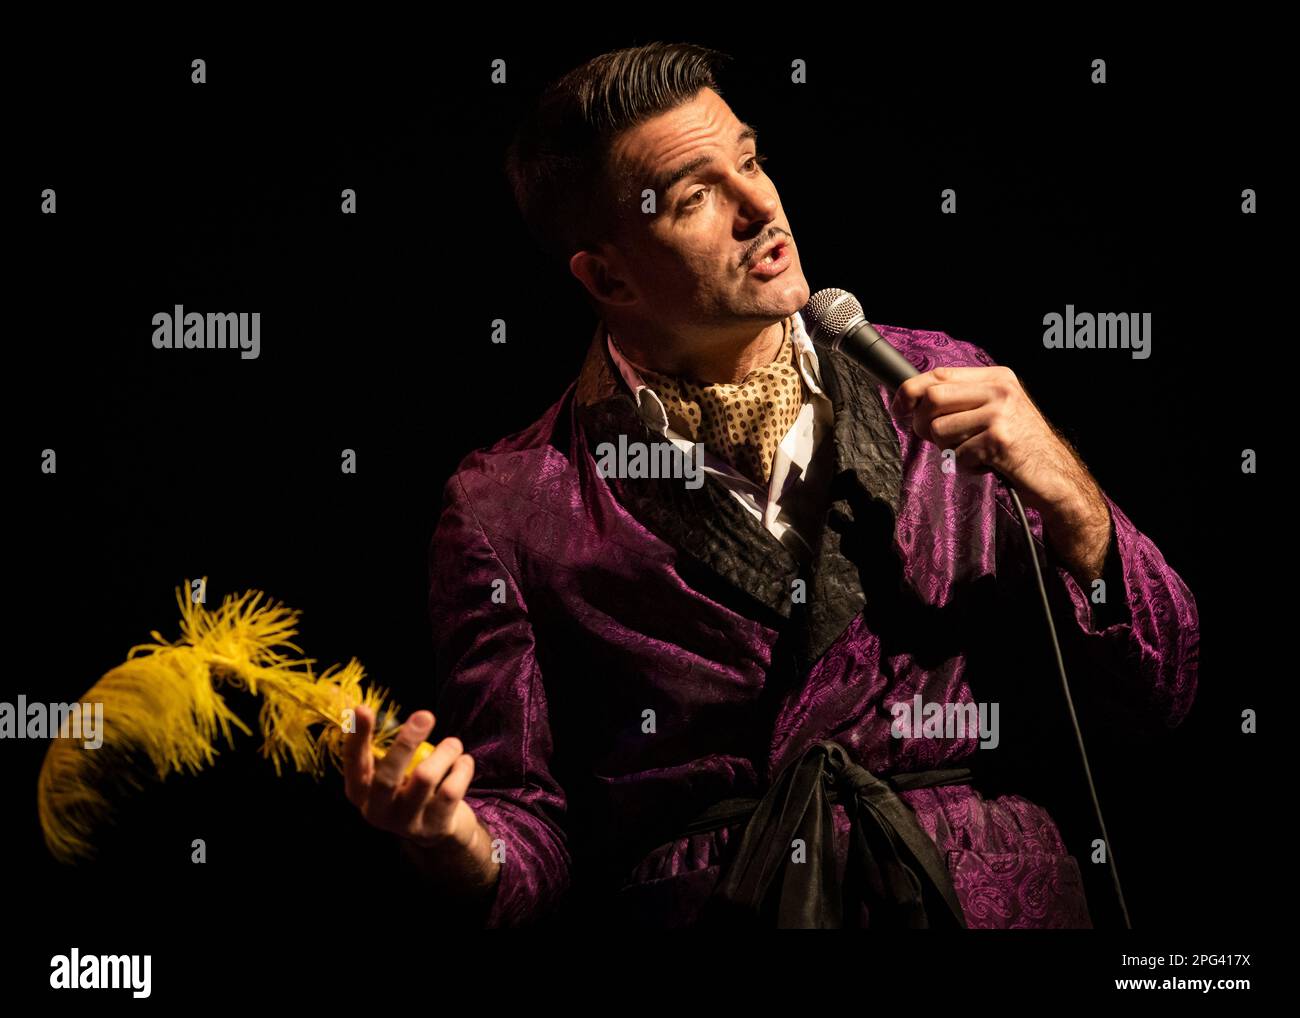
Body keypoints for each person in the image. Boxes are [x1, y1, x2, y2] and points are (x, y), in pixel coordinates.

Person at [342, 42, 1199, 928]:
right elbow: (529, 829)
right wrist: (458, 844)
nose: (760, 204)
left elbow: (1160, 689)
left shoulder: (946, 383)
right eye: (696, 196)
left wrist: (1068, 492)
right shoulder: (510, 505)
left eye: (749, 161)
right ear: (606, 276)